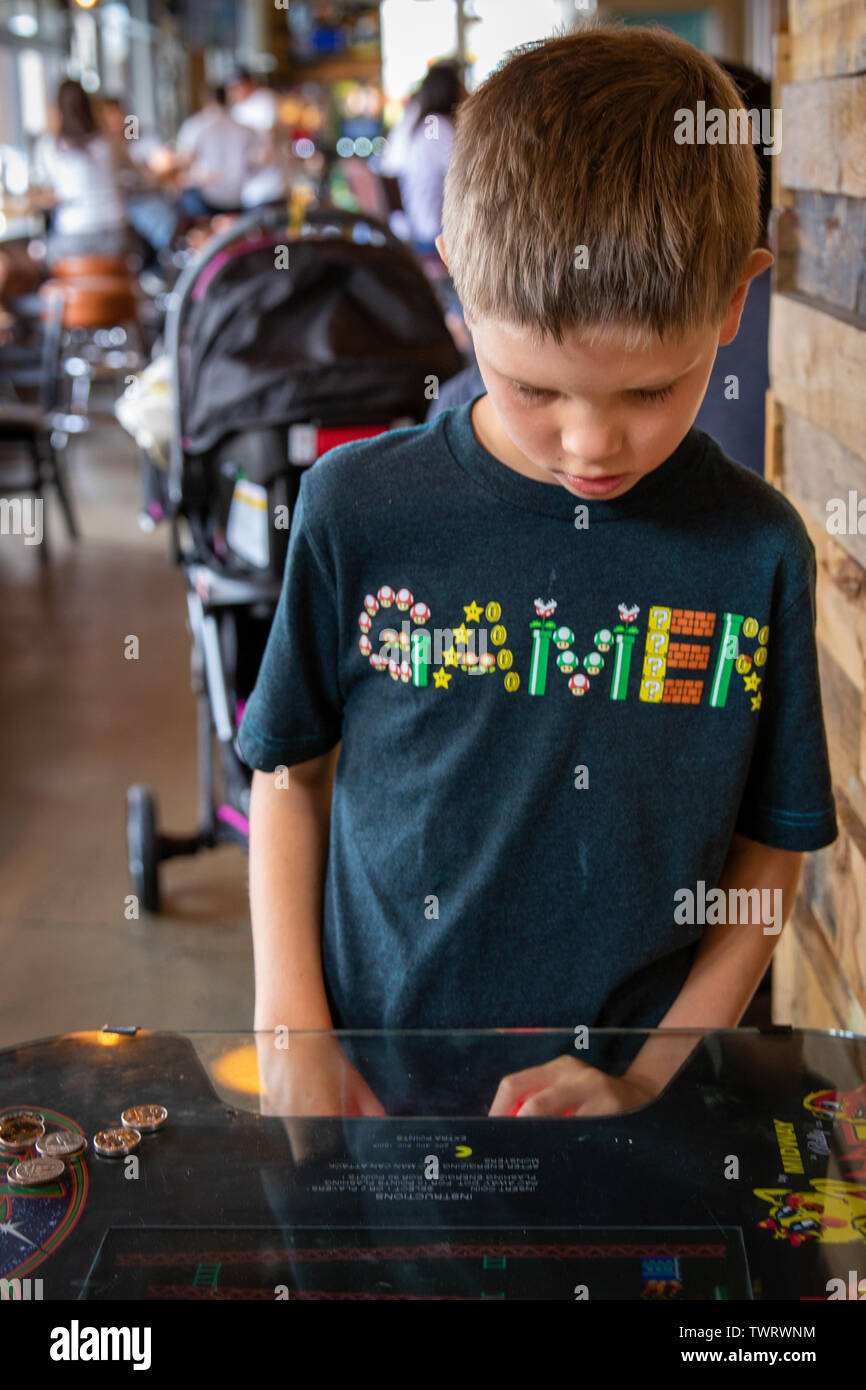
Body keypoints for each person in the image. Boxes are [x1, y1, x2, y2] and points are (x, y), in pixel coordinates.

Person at [238, 27, 836, 1120]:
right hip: (377, 1089)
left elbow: (767, 854)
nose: (588, 445)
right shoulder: (358, 506)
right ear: (455, 284)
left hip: (639, 1116)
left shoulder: (756, 551)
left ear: (734, 301)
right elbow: (289, 773)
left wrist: (642, 1080)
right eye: (532, 389)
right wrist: (293, 1031)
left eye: (649, 391)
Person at [35, 80, 131, 263]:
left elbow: (49, 190)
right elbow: (130, 172)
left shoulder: (52, 146)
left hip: (74, 233)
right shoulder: (108, 142)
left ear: (58, 109)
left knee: (42, 256)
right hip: (116, 232)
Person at [175, 86, 258, 218]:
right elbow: (257, 161)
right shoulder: (246, 129)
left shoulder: (195, 126)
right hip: (236, 198)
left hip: (205, 199)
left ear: (205, 101)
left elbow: (183, 161)